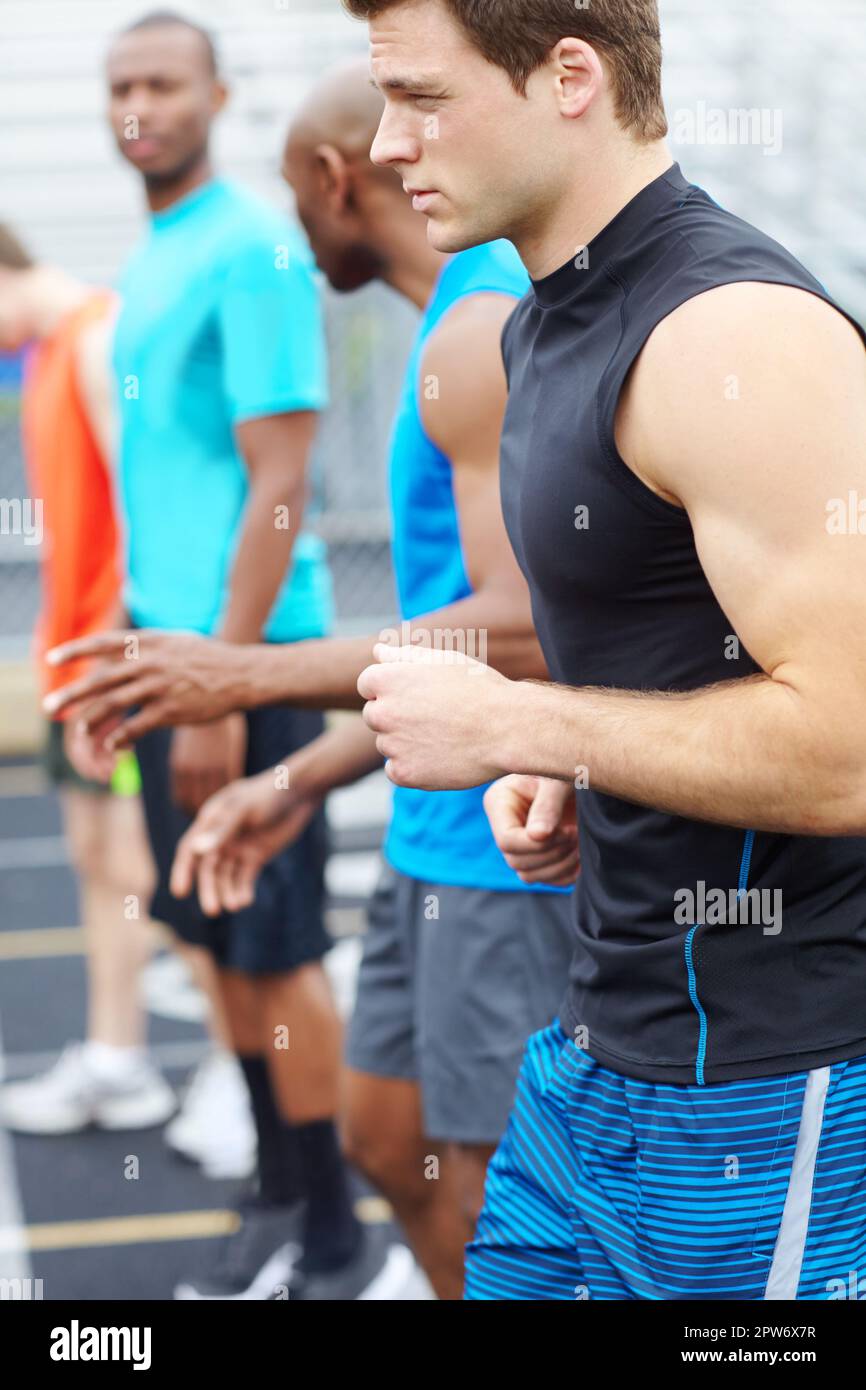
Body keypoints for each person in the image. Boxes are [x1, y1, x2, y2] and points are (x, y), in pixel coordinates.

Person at [332, 0, 866, 1300]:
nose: (387, 145)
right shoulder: (538, 324)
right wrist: (585, 765)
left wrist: (531, 726)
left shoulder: (727, 333)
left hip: (762, 1077)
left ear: (568, 75)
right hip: (588, 1052)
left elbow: (850, 747)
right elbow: (686, 650)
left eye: (422, 97)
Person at [46, 59, 578, 1301]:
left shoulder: (479, 325)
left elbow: (522, 632)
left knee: (491, 1192)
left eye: (297, 191)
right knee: (383, 1138)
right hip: (419, 827)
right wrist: (295, 773)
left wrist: (243, 677)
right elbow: (449, 625)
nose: (293, 220)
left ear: (333, 181)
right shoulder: (443, 321)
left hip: (500, 849)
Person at [72, 10, 390, 1302]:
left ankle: (326, 1230)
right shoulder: (156, 250)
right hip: (175, 653)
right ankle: (273, 1175)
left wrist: (224, 675)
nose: (136, 105)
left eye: (160, 82)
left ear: (215, 92)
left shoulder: (255, 244)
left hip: (248, 658)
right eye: (118, 87)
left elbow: (279, 477)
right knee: (208, 936)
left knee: (272, 954)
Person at [0, 224, 174, 1136]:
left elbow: (145, 515)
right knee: (97, 860)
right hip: (74, 660)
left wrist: (113, 653)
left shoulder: (102, 339)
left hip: (114, 659)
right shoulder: (41, 355)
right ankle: (118, 1057)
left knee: (151, 870)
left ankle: (240, 1074)